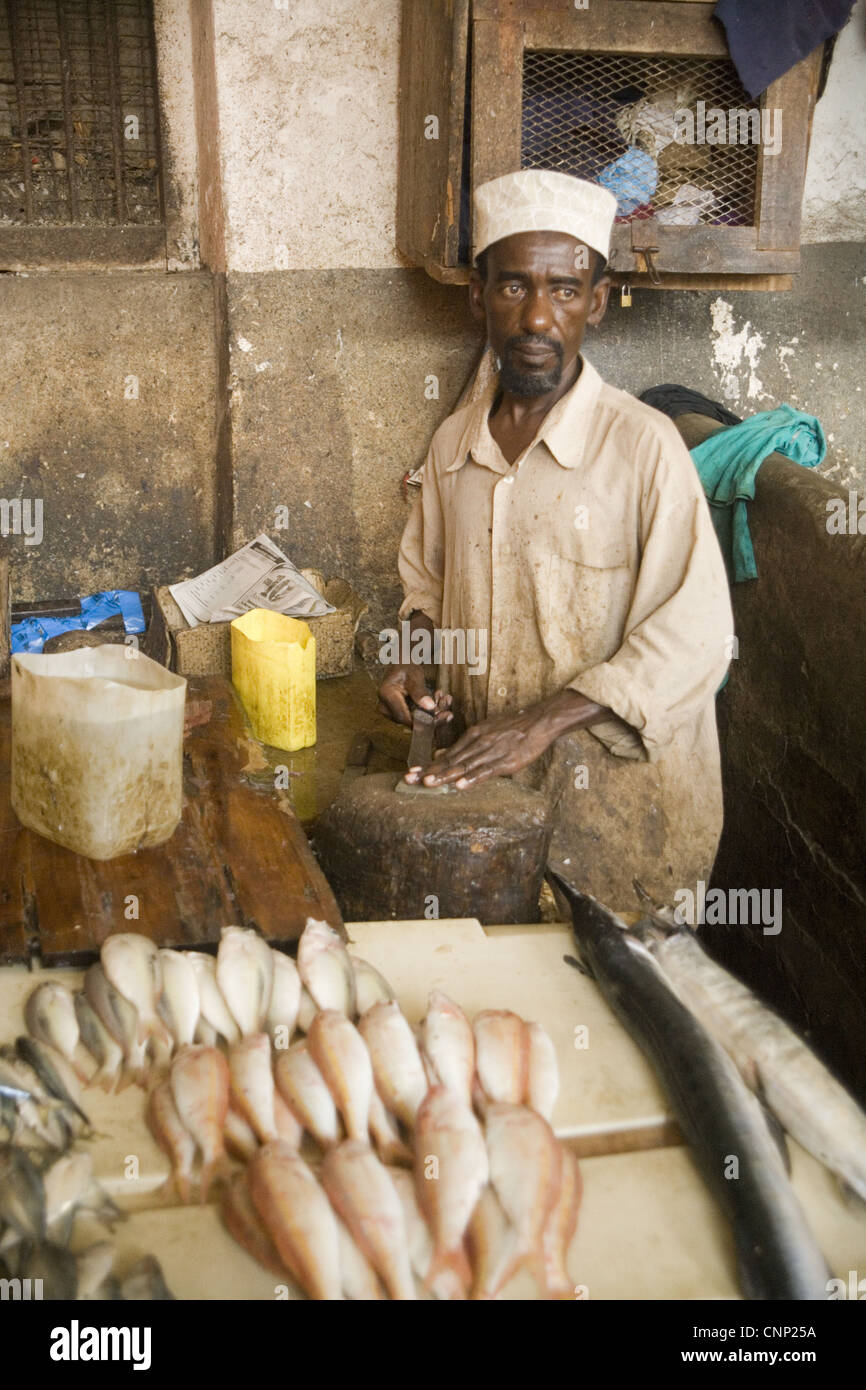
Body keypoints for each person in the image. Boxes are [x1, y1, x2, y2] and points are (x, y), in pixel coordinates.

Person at [378, 169, 734, 908]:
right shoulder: (453, 446)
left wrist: (540, 722)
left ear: (596, 303)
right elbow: (426, 588)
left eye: (565, 290)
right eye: (514, 287)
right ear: (480, 298)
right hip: (496, 807)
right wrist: (416, 662)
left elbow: (697, 636)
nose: (537, 317)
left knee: (610, 1003)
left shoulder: (644, 447)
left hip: (624, 821)